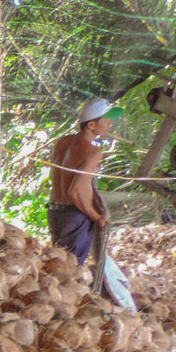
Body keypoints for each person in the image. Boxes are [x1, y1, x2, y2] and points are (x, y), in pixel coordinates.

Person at [48, 98, 121, 266]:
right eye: (107, 119)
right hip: (74, 215)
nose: (111, 123)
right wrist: (96, 217)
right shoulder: (93, 152)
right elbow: (75, 191)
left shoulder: (63, 142)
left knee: (57, 265)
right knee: (70, 268)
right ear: (91, 125)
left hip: (54, 210)